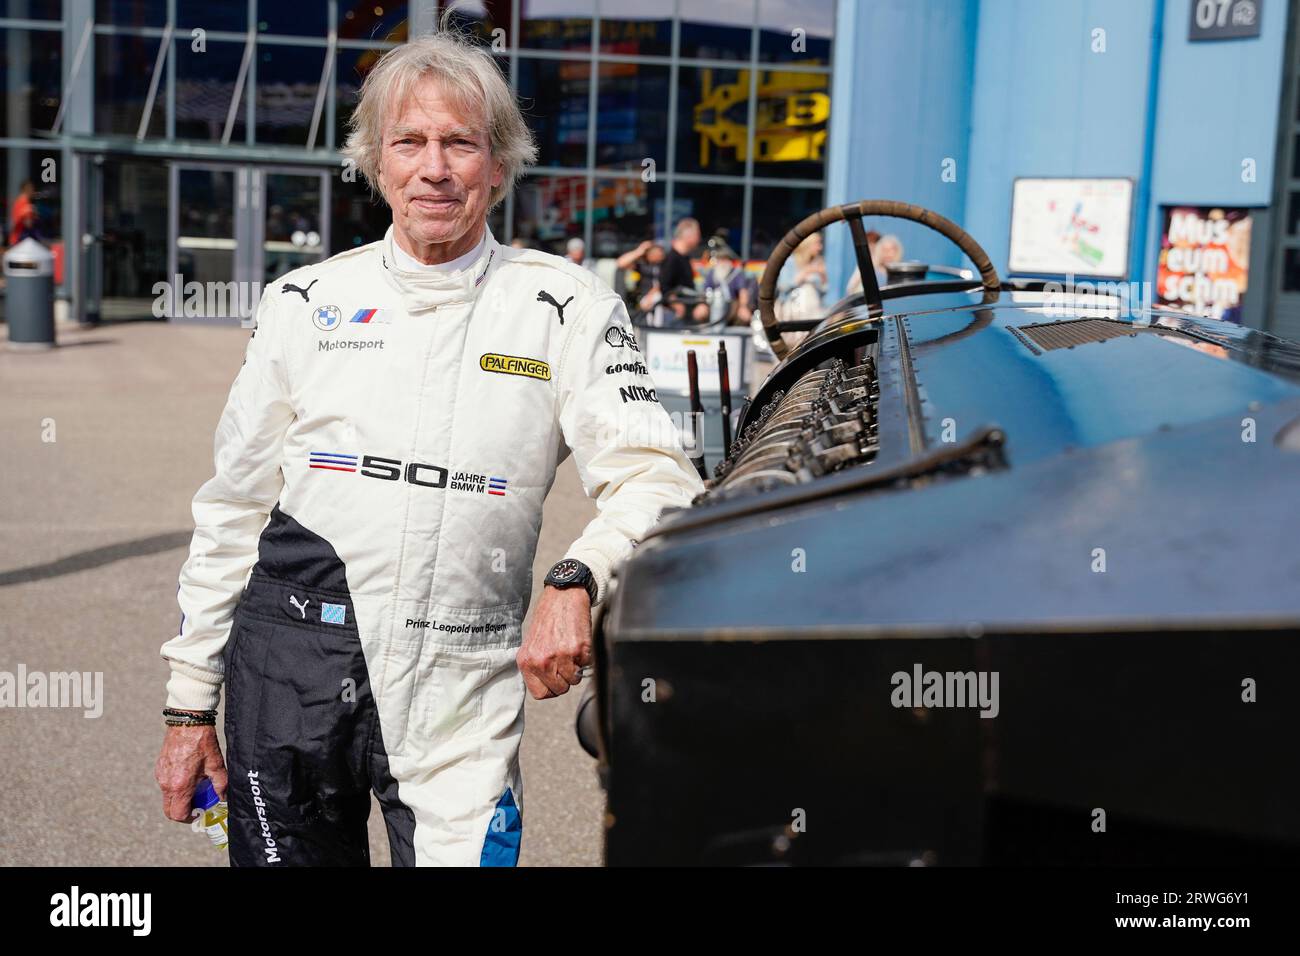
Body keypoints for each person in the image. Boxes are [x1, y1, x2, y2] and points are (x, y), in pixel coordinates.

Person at [154, 25, 704, 867]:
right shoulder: (304, 301)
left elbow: (658, 477)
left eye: (460, 143)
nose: (435, 168)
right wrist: (189, 709)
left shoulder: (567, 306)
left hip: (462, 674)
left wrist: (576, 578)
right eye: (409, 142)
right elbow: (232, 510)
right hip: (289, 662)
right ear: (376, 161)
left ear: (499, 162)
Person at [693, 238, 756, 327]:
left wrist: (743, 306)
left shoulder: (736, 273)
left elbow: (743, 292)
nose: (722, 263)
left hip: (732, 305)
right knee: (699, 312)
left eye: (725, 259)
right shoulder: (712, 273)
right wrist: (702, 304)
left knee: (744, 316)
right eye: (720, 259)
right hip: (713, 303)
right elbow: (705, 291)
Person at [776, 232, 828, 321]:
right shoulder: (791, 262)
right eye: (817, 243)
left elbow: (824, 291)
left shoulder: (818, 262)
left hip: (812, 311)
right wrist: (807, 271)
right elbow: (783, 286)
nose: (820, 247)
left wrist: (823, 275)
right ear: (808, 244)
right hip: (792, 312)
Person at [660, 217, 700, 320]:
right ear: (689, 236)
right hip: (677, 311)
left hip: (688, 302)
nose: (699, 239)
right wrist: (676, 304)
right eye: (697, 235)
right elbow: (664, 287)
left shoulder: (685, 258)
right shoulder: (672, 259)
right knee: (702, 312)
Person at [8, 180, 39, 246]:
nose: (33, 191)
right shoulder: (25, 204)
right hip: (21, 240)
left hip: (16, 238)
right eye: (32, 189)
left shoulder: (18, 201)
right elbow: (28, 224)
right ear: (27, 189)